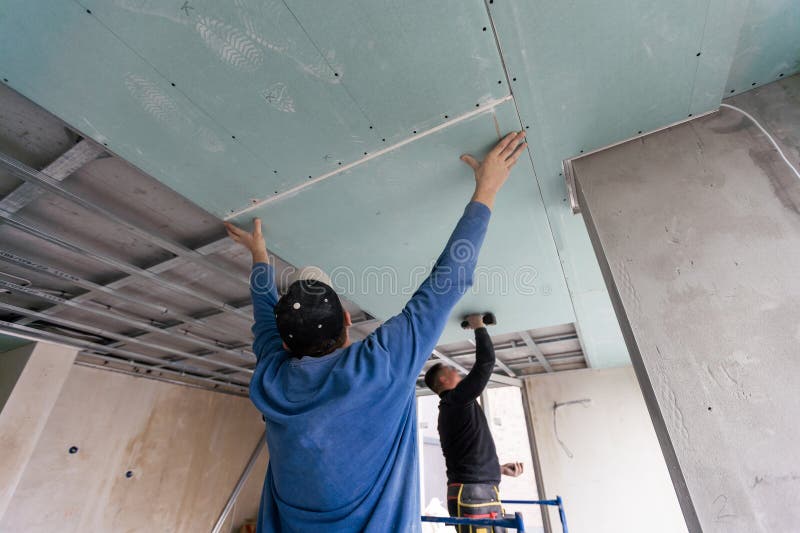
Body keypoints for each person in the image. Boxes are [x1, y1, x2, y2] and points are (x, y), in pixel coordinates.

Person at [224, 131, 527, 532]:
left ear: (284, 344)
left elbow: (448, 283)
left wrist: (486, 188)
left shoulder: (307, 376)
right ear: (347, 319)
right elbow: (264, 313)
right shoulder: (355, 367)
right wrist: (259, 254)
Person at [424, 314, 524, 533]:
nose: (456, 372)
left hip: (476, 490)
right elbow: (485, 364)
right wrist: (478, 325)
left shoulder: (453, 407)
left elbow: (465, 454)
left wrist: (496, 470)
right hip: (473, 492)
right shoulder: (455, 400)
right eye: (450, 370)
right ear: (442, 380)